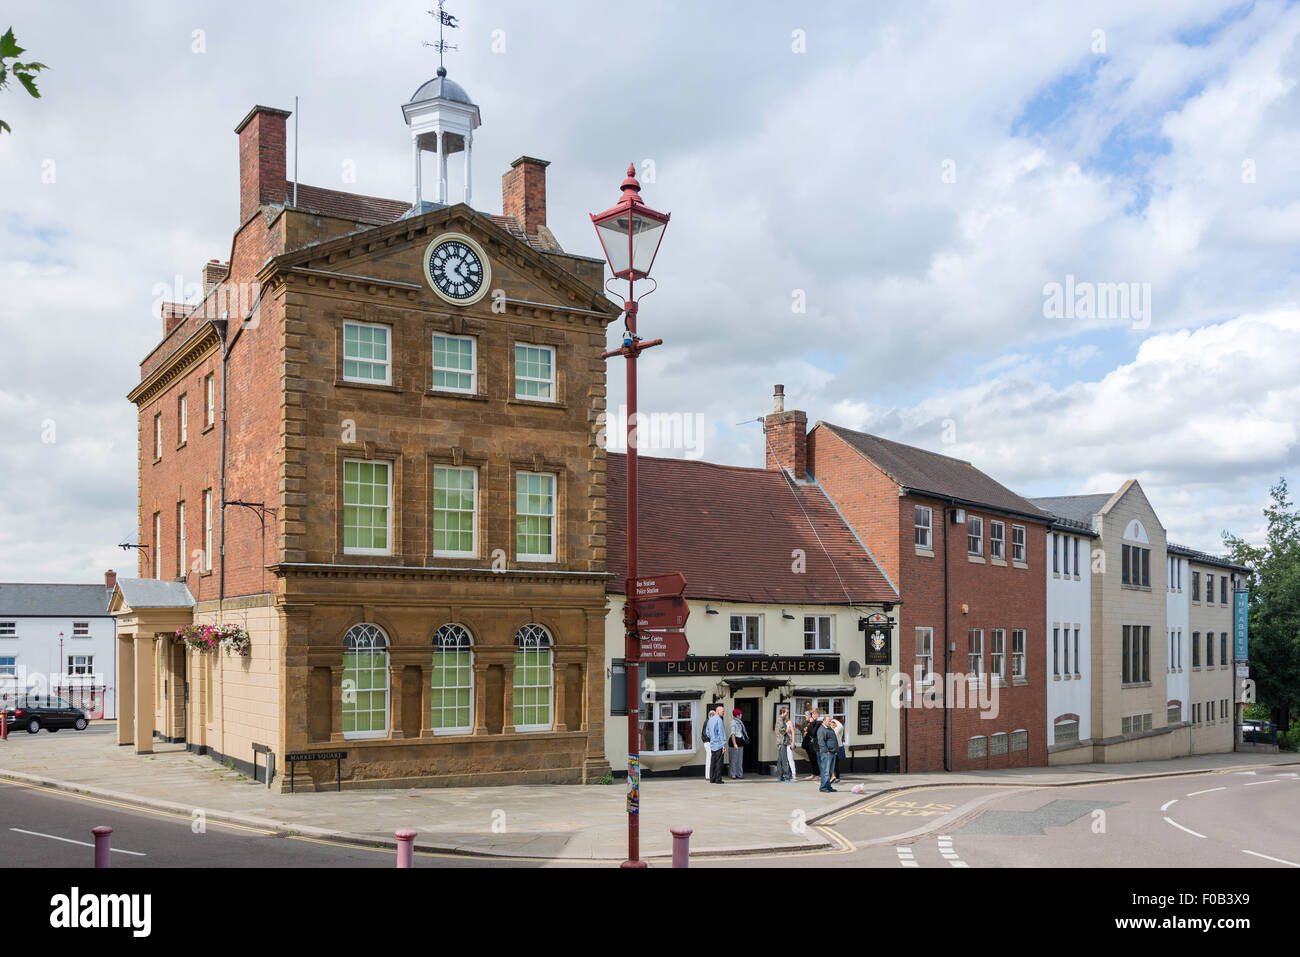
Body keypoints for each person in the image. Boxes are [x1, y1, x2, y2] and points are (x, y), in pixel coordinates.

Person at [705, 703, 727, 783]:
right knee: (719, 763)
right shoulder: (719, 720)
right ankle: (718, 779)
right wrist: (724, 745)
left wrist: (712, 738)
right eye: (722, 711)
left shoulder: (710, 720)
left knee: (713, 761)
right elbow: (722, 733)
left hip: (712, 744)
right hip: (719, 745)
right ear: (717, 711)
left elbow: (707, 732)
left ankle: (712, 778)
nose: (724, 713)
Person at [817, 716, 839, 792]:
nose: (830, 722)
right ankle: (823, 787)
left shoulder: (829, 729)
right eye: (829, 721)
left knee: (830, 771)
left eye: (830, 721)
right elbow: (821, 742)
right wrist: (826, 751)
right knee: (825, 772)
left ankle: (828, 786)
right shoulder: (821, 730)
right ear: (824, 721)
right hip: (827, 753)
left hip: (832, 753)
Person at [801, 708, 822, 781]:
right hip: (807, 744)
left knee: (815, 760)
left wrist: (812, 723)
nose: (805, 717)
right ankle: (813, 774)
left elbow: (813, 733)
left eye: (806, 715)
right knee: (811, 760)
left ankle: (818, 774)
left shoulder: (817, 723)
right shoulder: (805, 723)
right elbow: (803, 731)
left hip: (814, 744)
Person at [776, 706, 795, 782]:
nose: (787, 714)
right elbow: (782, 731)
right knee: (784, 760)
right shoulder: (780, 720)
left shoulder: (781, 720)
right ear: (782, 712)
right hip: (783, 742)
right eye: (786, 712)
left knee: (780, 760)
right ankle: (787, 777)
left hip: (780, 742)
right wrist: (787, 729)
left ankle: (780, 776)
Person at [728, 708, 748, 778]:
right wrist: (734, 744)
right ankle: (733, 774)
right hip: (735, 742)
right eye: (740, 714)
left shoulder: (740, 722)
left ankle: (739, 773)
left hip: (740, 742)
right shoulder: (733, 722)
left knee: (740, 759)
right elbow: (732, 734)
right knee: (734, 759)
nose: (741, 715)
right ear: (737, 715)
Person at [828, 714, 846, 785]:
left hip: (838, 747)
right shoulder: (829, 730)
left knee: (836, 764)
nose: (832, 724)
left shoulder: (837, 730)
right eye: (831, 723)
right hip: (832, 748)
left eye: (833, 723)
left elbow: (841, 726)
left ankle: (837, 777)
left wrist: (833, 720)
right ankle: (833, 777)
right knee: (832, 763)